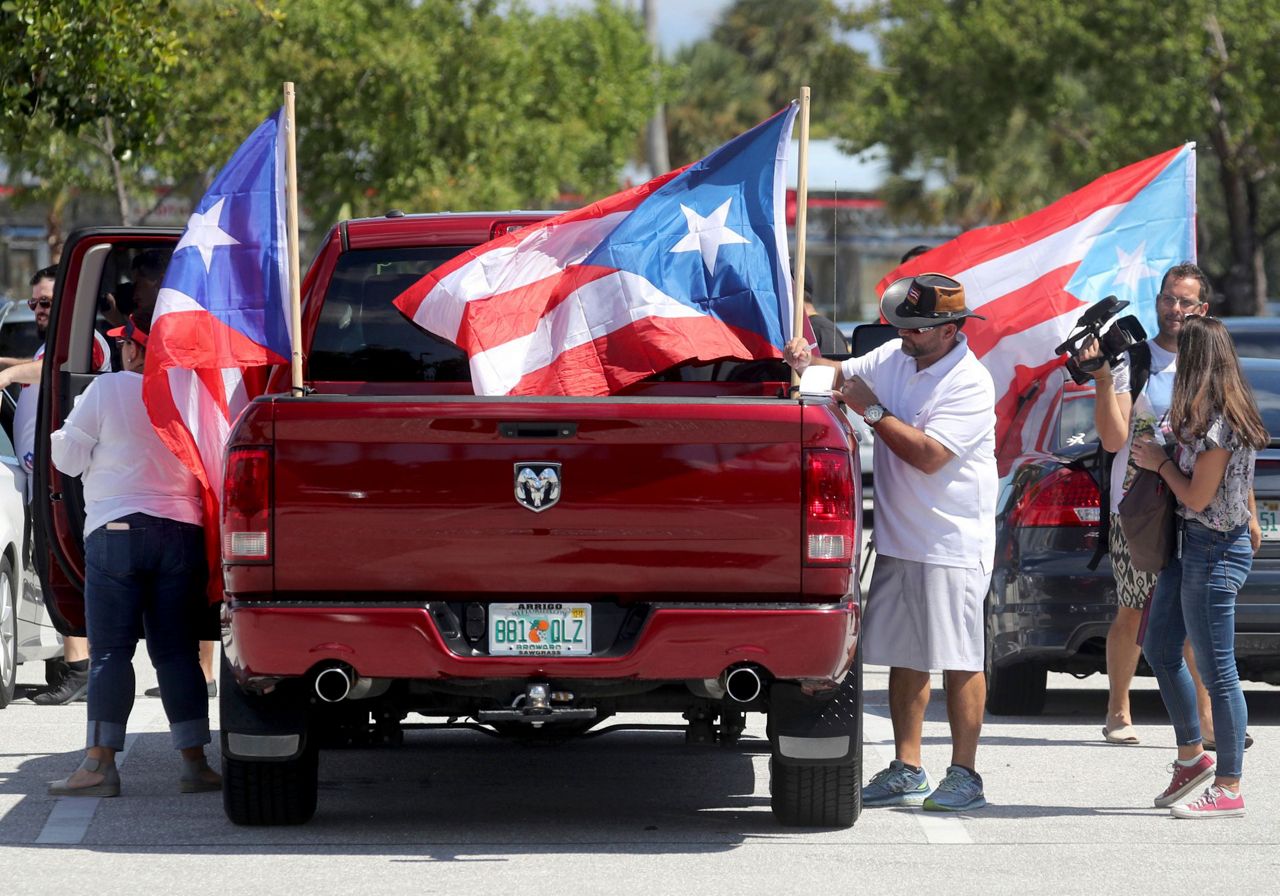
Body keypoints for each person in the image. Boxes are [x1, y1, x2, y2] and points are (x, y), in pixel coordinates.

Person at [784, 272, 996, 811]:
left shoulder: (970, 381)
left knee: (960, 659)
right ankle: (908, 766)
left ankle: (966, 773)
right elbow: (840, 373)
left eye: (916, 328)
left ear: (949, 330)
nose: (905, 334)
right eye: (902, 324)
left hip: (952, 543)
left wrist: (873, 412)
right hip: (901, 538)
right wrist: (805, 361)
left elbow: (929, 456)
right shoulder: (897, 357)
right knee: (906, 657)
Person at [45, 313, 220, 797]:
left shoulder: (107, 389)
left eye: (125, 344)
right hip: (181, 532)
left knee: (110, 653)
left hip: (116, 530)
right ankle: (195, 764)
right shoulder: (192, 390)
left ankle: (99, 766)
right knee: (177, 652)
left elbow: (67, 460)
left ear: (137, 349)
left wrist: (65, 432)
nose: (121, 351)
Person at [1130, 315, 1265, 818]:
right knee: (1161, 649)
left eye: (1184, 352)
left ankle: (1229, 785)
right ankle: (1192, 756)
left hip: (1213, 551)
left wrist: (1160, 463)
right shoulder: (1200, 413)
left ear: (1199, 360)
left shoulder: (1220, 424)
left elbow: (1197, 496)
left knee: (1218, 672)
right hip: (1189, 547)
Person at [1081, 263, 1220, 746]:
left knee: (1196, 614)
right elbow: (1113, 438)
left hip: (1198, 503)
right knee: (1133, 608)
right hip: (1139, 505)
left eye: (1185, 301)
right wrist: (1103, 379)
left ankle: (1206, 718)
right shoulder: (1133, 359)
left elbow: (1233, 442)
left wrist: (1243, 504)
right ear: (1157, 300)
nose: (1175, 309)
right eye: (1168, 299)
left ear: (1202, 308)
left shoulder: (1211, 361)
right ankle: (1118, 709)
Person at [0, 266, 111, 705]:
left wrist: (9, 376)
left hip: (67, 480)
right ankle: (75, 661)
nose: (39, 311)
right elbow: (41, 366)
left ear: (68, 299)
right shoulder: (53, 345)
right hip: (46, 479)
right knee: (54, 568)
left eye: (46, 302)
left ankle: (79, 667)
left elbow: (52, 371)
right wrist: (7, 366)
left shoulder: (86, 341)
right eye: (34, 303)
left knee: (64, 568)